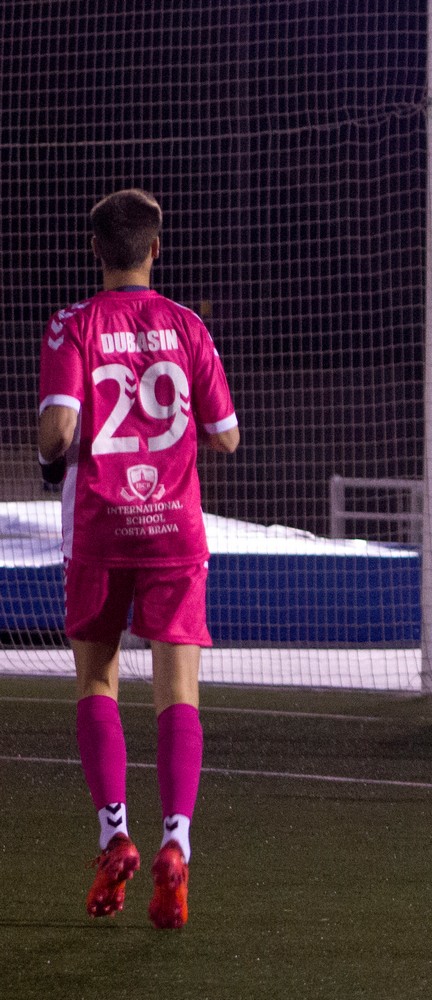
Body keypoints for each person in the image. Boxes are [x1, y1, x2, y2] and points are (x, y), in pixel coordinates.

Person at [38, 189, 240, 928]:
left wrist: (50, 448)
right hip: (174, 535)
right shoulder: (189, 327)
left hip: (102, 530)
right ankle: (176, 843)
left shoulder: (72, 324)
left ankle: (112, 834)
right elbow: (226, 435)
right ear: (157, 249)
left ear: (97, 252)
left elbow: (58, 434)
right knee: (178, 689)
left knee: (97, 679)